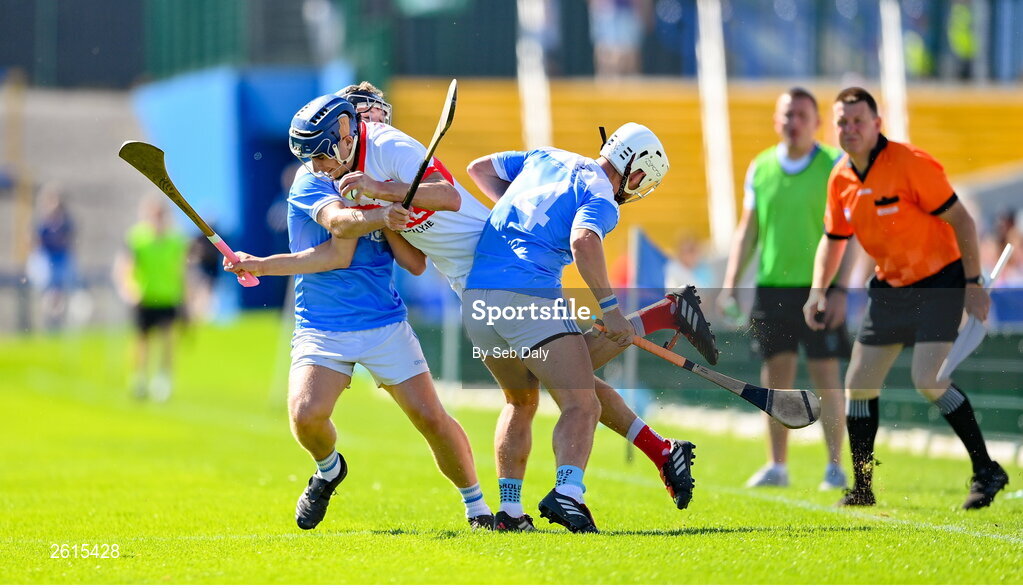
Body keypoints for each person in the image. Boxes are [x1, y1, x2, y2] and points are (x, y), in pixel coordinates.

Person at [228, 86, 717, 532]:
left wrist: (396, 199)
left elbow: (457, 189)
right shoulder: (339, 173)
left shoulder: (393, 150)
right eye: (367, 113)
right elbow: (413, 257)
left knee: (547, 388)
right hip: (504, 275)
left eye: (377, 114)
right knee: (571, 383)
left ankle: (518, 506)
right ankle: (656, 339)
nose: (375, 120)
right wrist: (391, 215)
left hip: (481, 280)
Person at [256, 94, 493, 531]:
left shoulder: (380, 166)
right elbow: (339, 237)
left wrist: (389, 210)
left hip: (384, 320)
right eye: (366, 117)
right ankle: (329, 470)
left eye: (377, 119)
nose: (320, 164)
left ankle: (478, 509)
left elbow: (416, 264)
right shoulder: (315, 179)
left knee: (430, 418)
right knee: (305, 415)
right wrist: (380, 208)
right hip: (323, 325)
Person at [461, 122, 673, 533]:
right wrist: (610, 308)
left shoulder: (547, 155)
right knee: (583, 401)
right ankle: (568, 493)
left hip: (478, 299)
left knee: (520, 402)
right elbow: (583, 242)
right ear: (634, 166)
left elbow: (477, 169)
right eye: (643, 179)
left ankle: (508, 512)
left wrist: (517, 218)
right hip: (529, 294)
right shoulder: (602, 196)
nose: (637, 189)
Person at [804, 87, 1009, 510]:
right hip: (890, 289)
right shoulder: (839, 177)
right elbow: (833, 239)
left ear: (878, 124)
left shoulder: (911, 164)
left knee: (927, 379)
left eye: (859, 121)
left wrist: (972, 284)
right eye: (843, 122)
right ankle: (862, 487)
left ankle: (987, 469)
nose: (850, 129)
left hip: (940, 283)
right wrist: (817, 291)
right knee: (858, 383)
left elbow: (963, 221)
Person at [718, 88, 849, 491]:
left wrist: (840, 287)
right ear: (777, 120)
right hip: (772, 288)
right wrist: (730, 283)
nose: (793, 122)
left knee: (827, 376)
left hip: (819, 288)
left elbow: (850, 231)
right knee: (776, 380)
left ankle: (834, 466)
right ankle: (777, 466)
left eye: (802, 115)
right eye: (787, 115)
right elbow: (748, 230)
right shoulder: (760, 168)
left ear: (817, 122)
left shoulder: (835, 165)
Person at [113, 198, 189, 402]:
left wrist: (186, 297)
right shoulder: (137, 238)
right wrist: (129, 288)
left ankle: (163, 380)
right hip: (145, 297)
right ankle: (138, 378)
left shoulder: (176, 240)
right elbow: (125, 266)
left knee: (168, 341)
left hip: (168, 296)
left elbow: (182, 270)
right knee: (142, 341)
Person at [27, 183, 77, 331]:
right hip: (46, 257)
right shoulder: (41, 221)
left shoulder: (66, 221)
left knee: (60, 286)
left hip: (60, 257)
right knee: (49, 285)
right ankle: (49, 315)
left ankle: (57, 315)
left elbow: (70, 240)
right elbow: (33, 241)